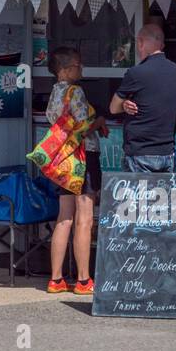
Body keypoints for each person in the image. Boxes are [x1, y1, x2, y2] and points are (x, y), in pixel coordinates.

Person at [44, 46, 107, 296]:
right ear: (66, 69)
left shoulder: (54, 93)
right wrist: (99, 122)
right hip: (83, 157)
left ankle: (56, 278)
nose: (81, 69)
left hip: (63, 159)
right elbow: (81, 128)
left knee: (64, 217)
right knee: (85, 218)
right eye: (78, 65)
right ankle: (83, 280)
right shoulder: (76, 91)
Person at [110, 24, 176, 173]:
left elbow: (113, 108)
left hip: (140, 152)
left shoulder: (136, 73)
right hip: (167, 151)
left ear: (140, 42)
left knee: (139, 197)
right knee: (163, 196)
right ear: (161, 44)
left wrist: (123, 104)